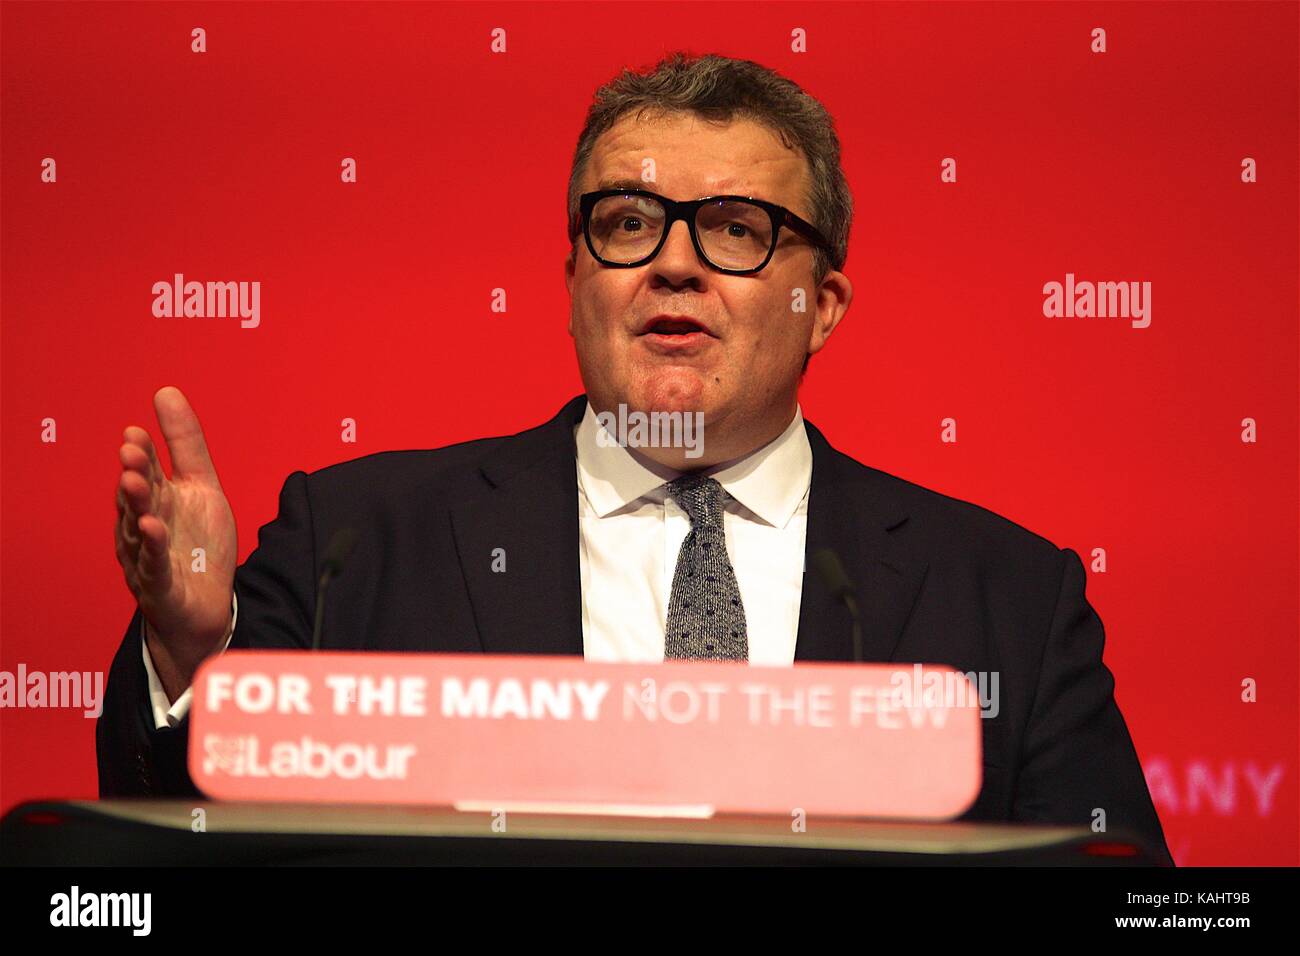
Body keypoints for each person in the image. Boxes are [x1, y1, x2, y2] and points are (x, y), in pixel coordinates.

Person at [100, 51, 1172, 864]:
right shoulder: (359, 538)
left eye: (736, 229)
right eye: (627, 221)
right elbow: (170, 857)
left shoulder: (1007, 595)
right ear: (573, 279)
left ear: (823, 303)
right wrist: (194, 653)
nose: (672, 262)